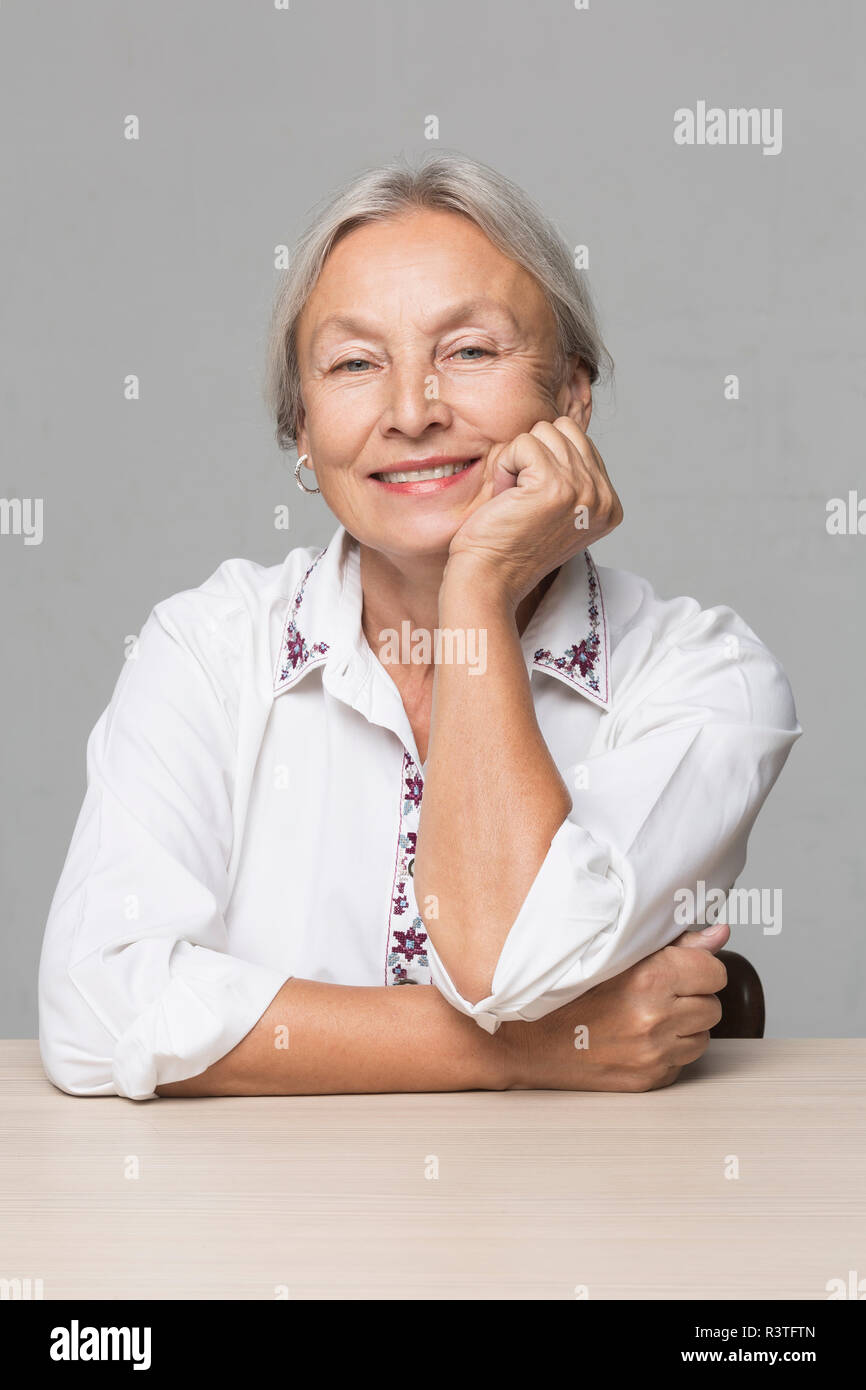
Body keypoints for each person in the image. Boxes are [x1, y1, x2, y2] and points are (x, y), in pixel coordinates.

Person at [38, 153, 800, 1102]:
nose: (411, 412)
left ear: (571, 393)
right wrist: (530, 1051)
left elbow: (504, 966)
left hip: (578, 1229)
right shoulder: (208, 647)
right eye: (356, 364)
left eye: (469, 352)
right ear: (304, 435)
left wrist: (475, 592)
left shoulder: (703, 675)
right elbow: (92, 1008)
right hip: (255, 1230)